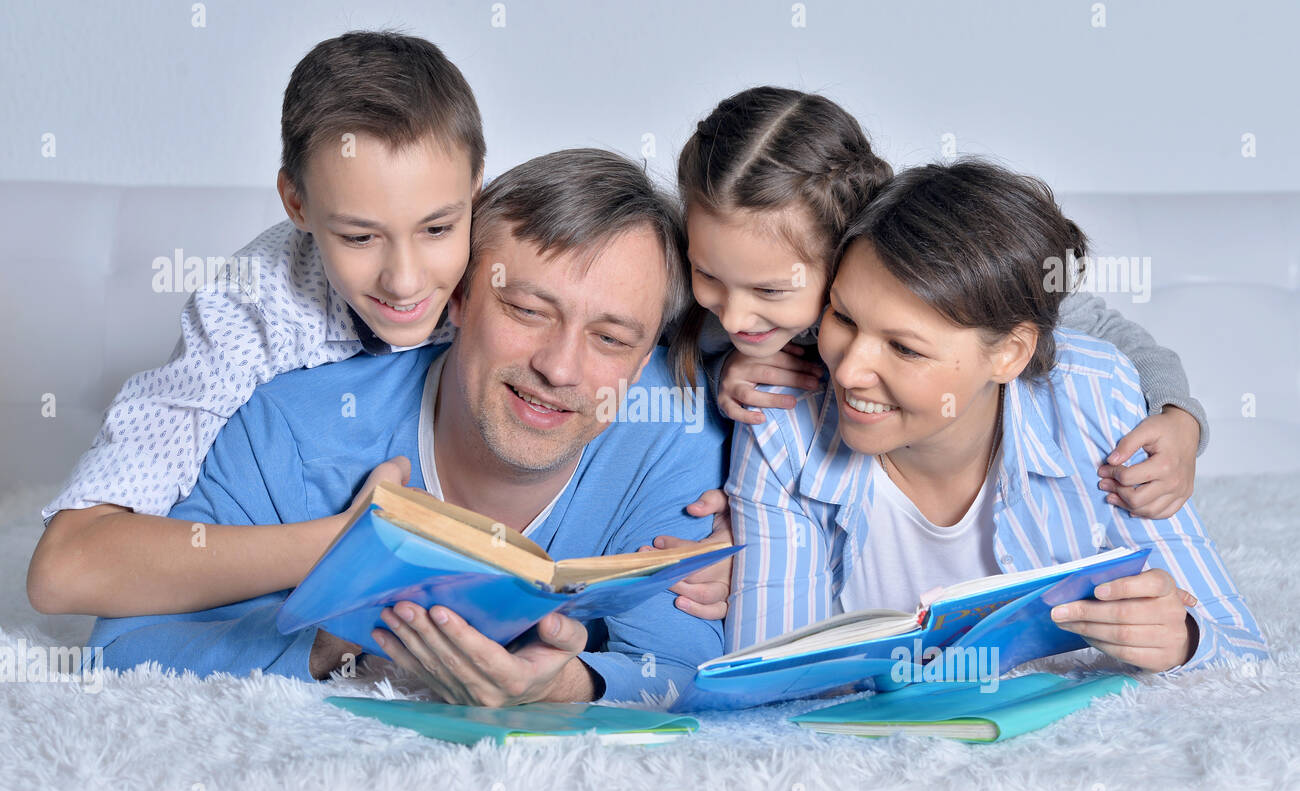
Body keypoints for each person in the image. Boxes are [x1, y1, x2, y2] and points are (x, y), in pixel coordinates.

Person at [28, 30, 726, 620]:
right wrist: (349, 546)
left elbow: (638, 316)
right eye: (360, 237)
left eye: (437, 227)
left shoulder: (512, 247)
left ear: (476, 188)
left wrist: (735, 531)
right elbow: (64, 568)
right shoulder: (248, 311)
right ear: (296, 203)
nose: (406, 280)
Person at [81, 148, 734, 706]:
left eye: (612, 337)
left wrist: (566, 687)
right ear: (457, 298)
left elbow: (682, 670)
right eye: (528, 310)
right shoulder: (290, 426)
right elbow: (122, 645)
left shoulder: (675, 428)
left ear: (646, 355)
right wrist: (332, 643)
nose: (560, 367)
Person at [724, 159, 1266, 674]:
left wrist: (1185, 640)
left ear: (1008, 354)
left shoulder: (1096, 395)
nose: (848, 372)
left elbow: (1241, 648)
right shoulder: (780, 415)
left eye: (905, 348)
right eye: (841, 317)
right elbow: (763, 668)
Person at [666, 86, 1207, 541]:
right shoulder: (705, 309)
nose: (735, 315)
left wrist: (1178, 416)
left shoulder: (927, 278)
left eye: (770, 290)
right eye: (709, 276)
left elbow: (1110, 334)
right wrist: (720, 373)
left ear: (848, 256)